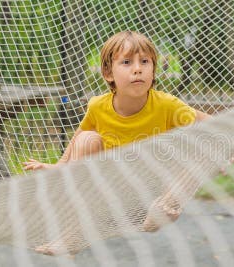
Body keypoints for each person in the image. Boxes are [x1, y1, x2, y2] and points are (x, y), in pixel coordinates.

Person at [23, 30, 211, 255]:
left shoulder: (167, 105)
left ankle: (167, 206)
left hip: (156, 189)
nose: (137, 68)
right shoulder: (98, 106)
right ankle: (74, 233)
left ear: (153, 71)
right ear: (108, 73)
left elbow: (207, 122)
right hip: (113, 189)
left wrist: (229, 138)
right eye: (126, 62)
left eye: (145, 62)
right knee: (87, 138)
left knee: (203, 145)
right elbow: (77, 138)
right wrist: (59, 166)